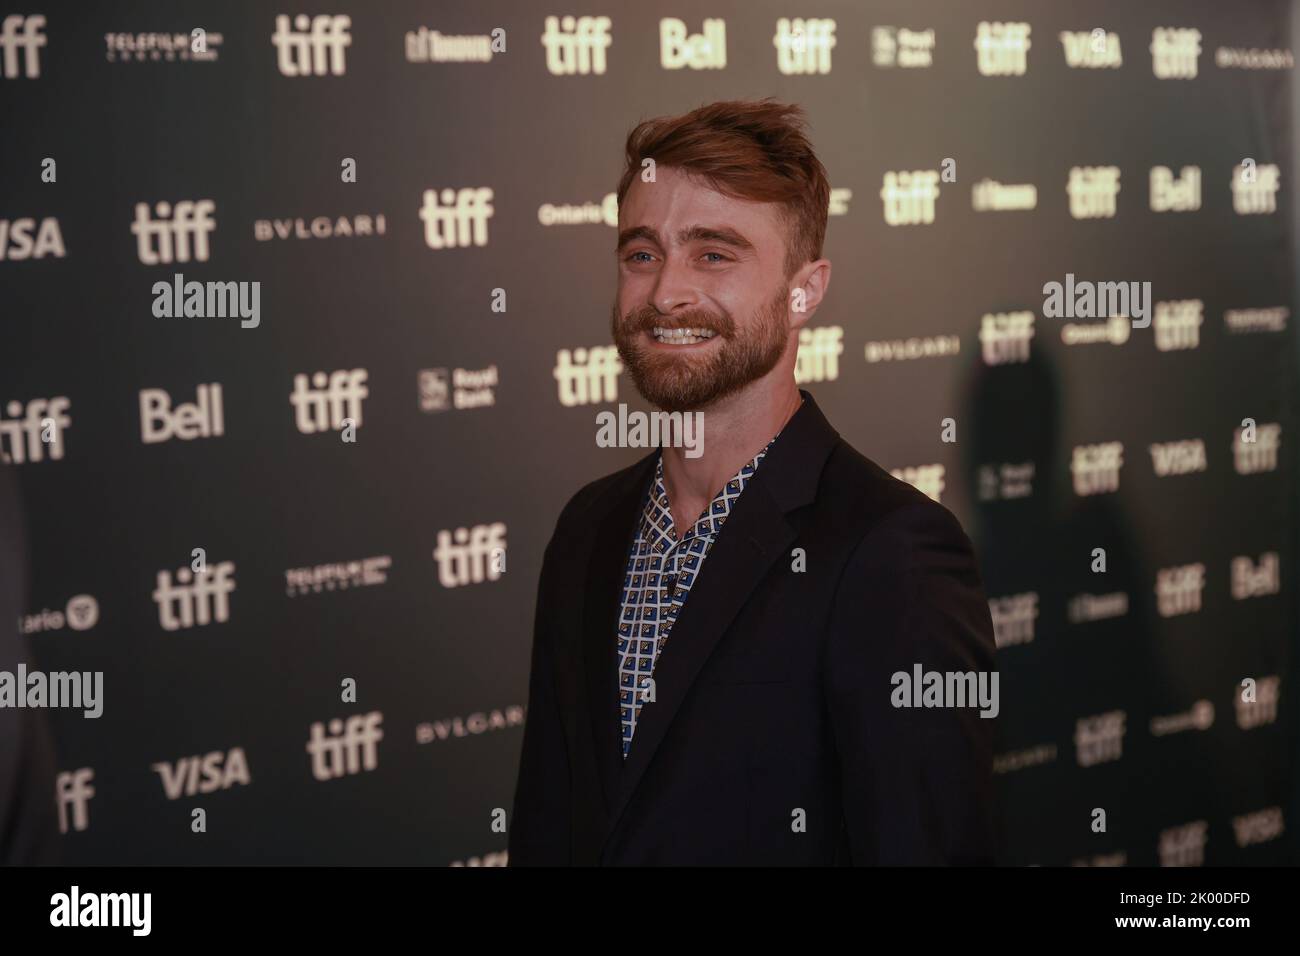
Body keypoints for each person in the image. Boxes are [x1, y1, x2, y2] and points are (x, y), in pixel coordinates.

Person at [509, 99, 998, 865]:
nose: (667, 292)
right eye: (642, 254)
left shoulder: (893, 555)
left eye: (713, 254)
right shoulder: (587, 528)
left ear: (805, 291)